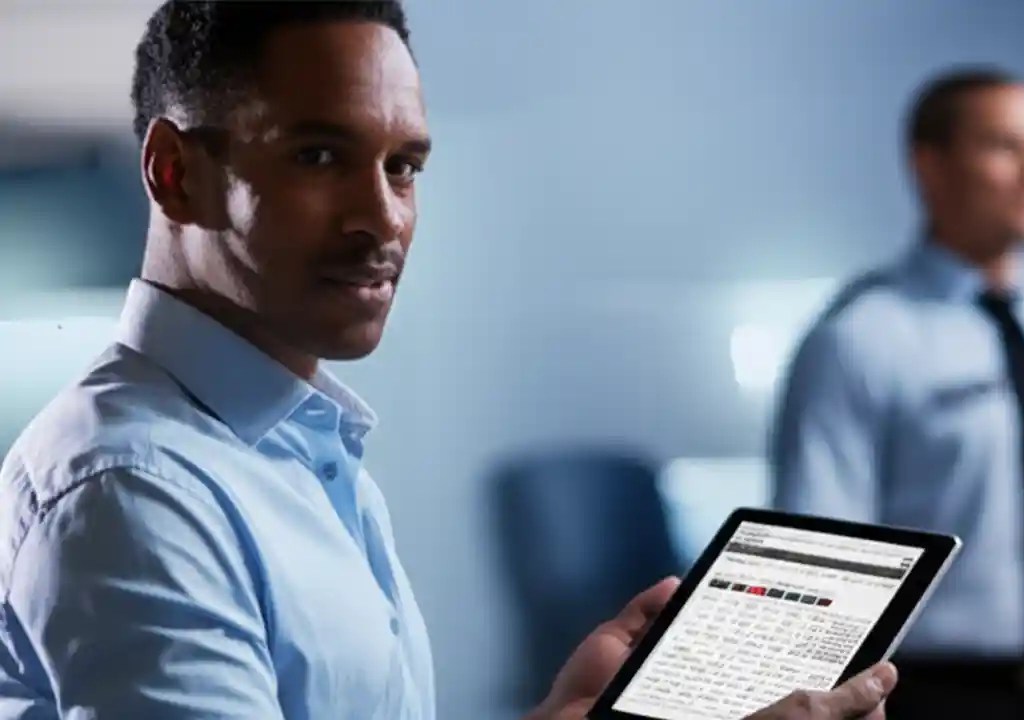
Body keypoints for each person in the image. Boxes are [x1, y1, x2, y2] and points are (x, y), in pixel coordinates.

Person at [0, 2, 895, 718]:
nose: (384, 218)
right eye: (320, 155)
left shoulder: (302, 450)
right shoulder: (134, 486)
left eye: (403, 167)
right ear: (174, 172)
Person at [771, 67, 1024, 720]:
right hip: (934, 693)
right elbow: (822, 559)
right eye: (1004, 147)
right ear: (930, 167)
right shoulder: (861, 339)